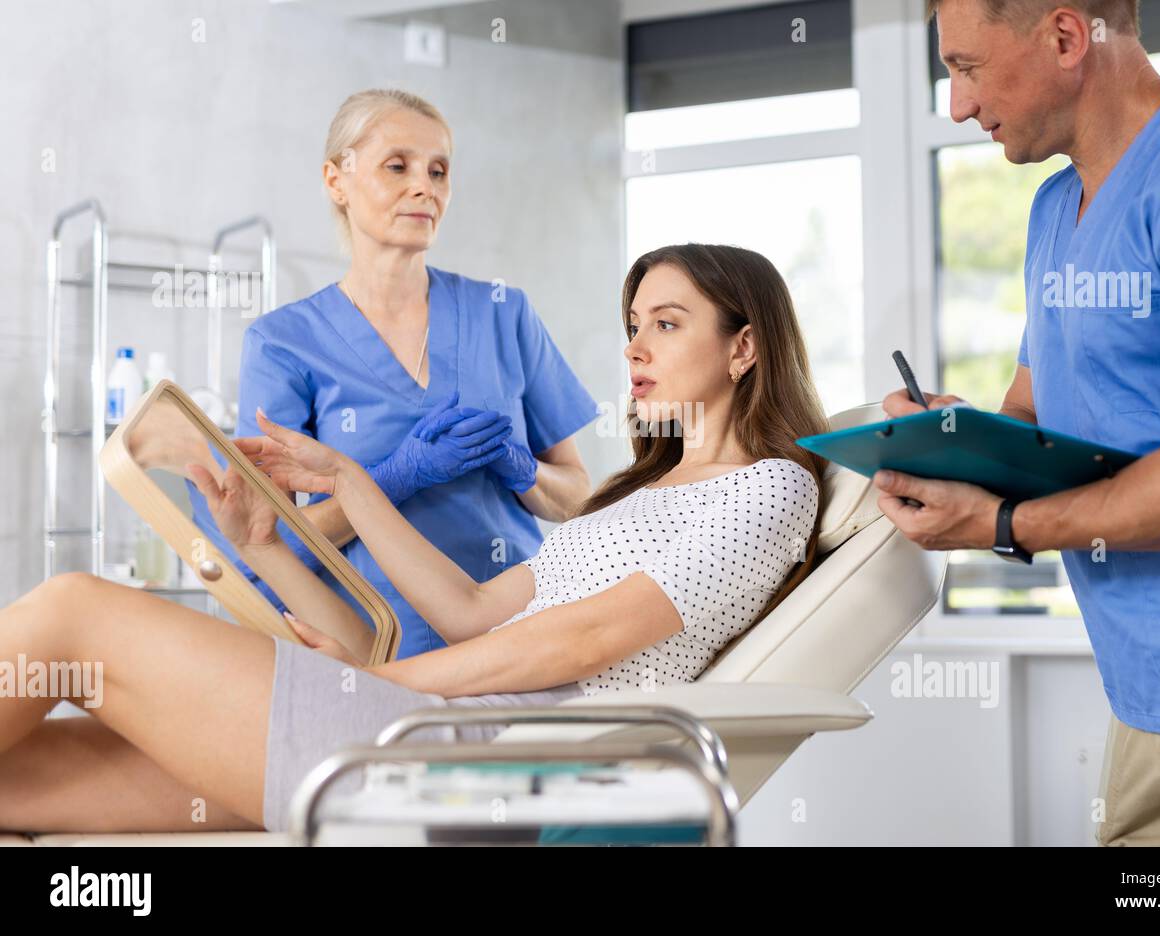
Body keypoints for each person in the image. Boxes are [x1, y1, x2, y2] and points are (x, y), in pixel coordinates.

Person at [0, 244, 828, 836]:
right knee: (23, 779)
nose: (635, 346)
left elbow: (581, 641)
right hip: (431, 724)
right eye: (634, 322)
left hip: (471, 753)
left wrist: (375, 685)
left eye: (669, 324)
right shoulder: (636, 495)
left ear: (744, 345)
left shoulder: (771, 487)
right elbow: (471, 610)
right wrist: (339, 495)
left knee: (73, 611)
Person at [880, 0, 1160, 845]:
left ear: (1067, 38)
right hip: (1140, 700)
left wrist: (1006, 524)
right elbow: (1034, 415)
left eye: (966, 68)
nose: (956, 105)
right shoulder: (1053, 212)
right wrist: (956, 440)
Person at [188, 88, 599, 659]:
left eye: (439, 171)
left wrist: (522, 467)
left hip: (516, 635)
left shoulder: (504, 312)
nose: (424, 187)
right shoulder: (284, 343)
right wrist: (399, 476)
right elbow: (277, 542)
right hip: (375, 646)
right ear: (337, 181)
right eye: (397, 166)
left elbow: (578, 499)